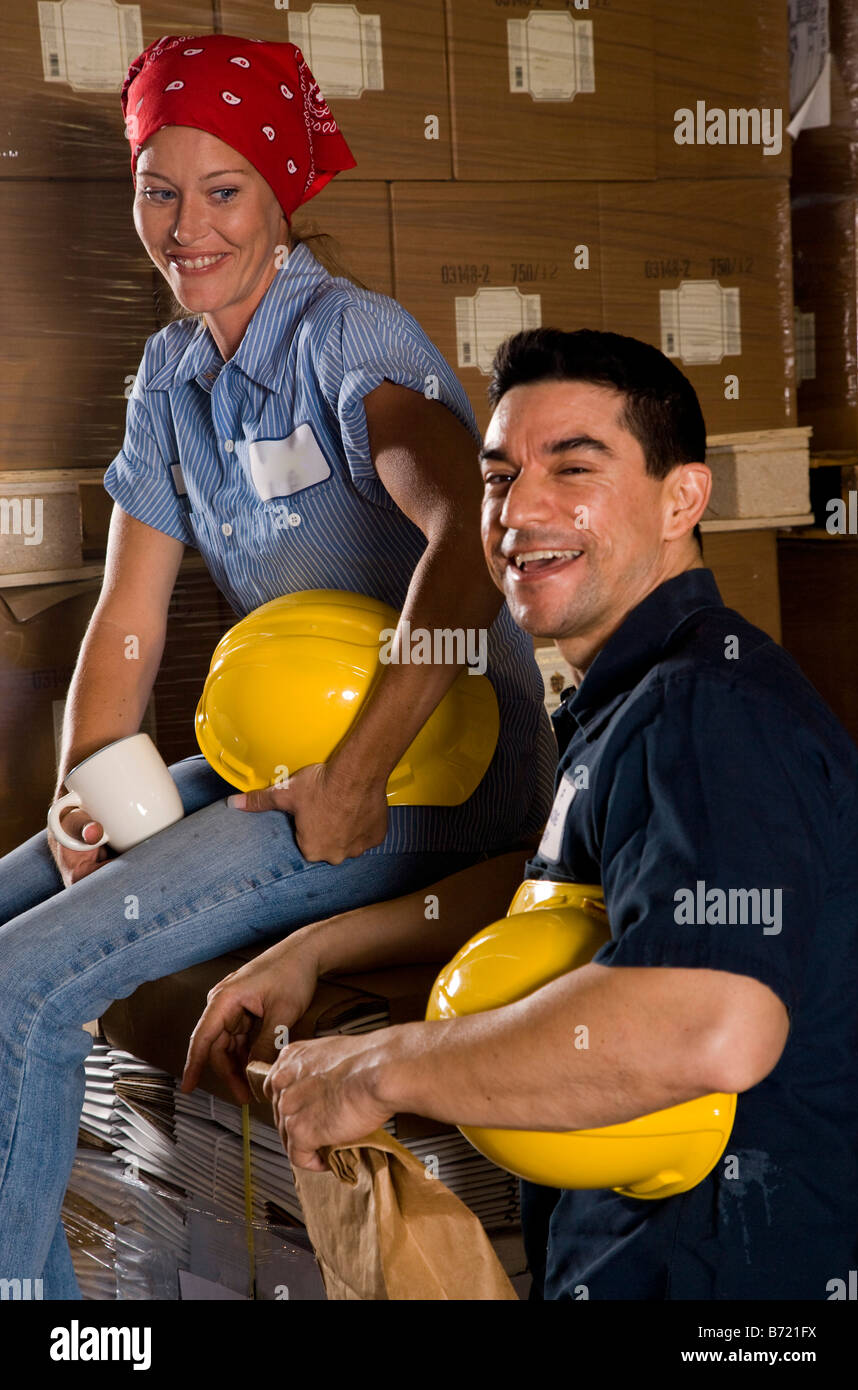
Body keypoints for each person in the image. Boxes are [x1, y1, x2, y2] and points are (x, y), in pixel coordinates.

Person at [0, 35, 555, 1300]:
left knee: (19, 984)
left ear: (282, 193)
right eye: (157, 188)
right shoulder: (171, 376)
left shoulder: (347, 338)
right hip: (275, 761)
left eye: (221, 190)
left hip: (421, 779)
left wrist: (359, 772)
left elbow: (466, 543)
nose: (184, 225)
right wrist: (84, 782)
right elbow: (127, 618)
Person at [189, 327, 858, 1301]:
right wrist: (320, 948)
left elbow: (712, 1021)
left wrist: (379, 1071)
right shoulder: (633, 696)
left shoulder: (702, 712)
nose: (517, 513)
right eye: (499, 477)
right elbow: (557, 883)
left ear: (681, 498)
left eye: (571, 469)